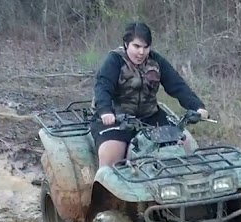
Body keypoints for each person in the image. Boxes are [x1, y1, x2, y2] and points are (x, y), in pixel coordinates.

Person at [90, 21, 210, 168]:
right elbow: (103, 87)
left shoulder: (156, 61)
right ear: (126, 44)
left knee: (186, 145)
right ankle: (104, 189)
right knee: (110, 158)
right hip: (118, 118)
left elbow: (177, 85)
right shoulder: (115, 60)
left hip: (150, 117)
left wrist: (197, 106)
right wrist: (105, 111)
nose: (141, 52)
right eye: (137, 46)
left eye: (145, 47)